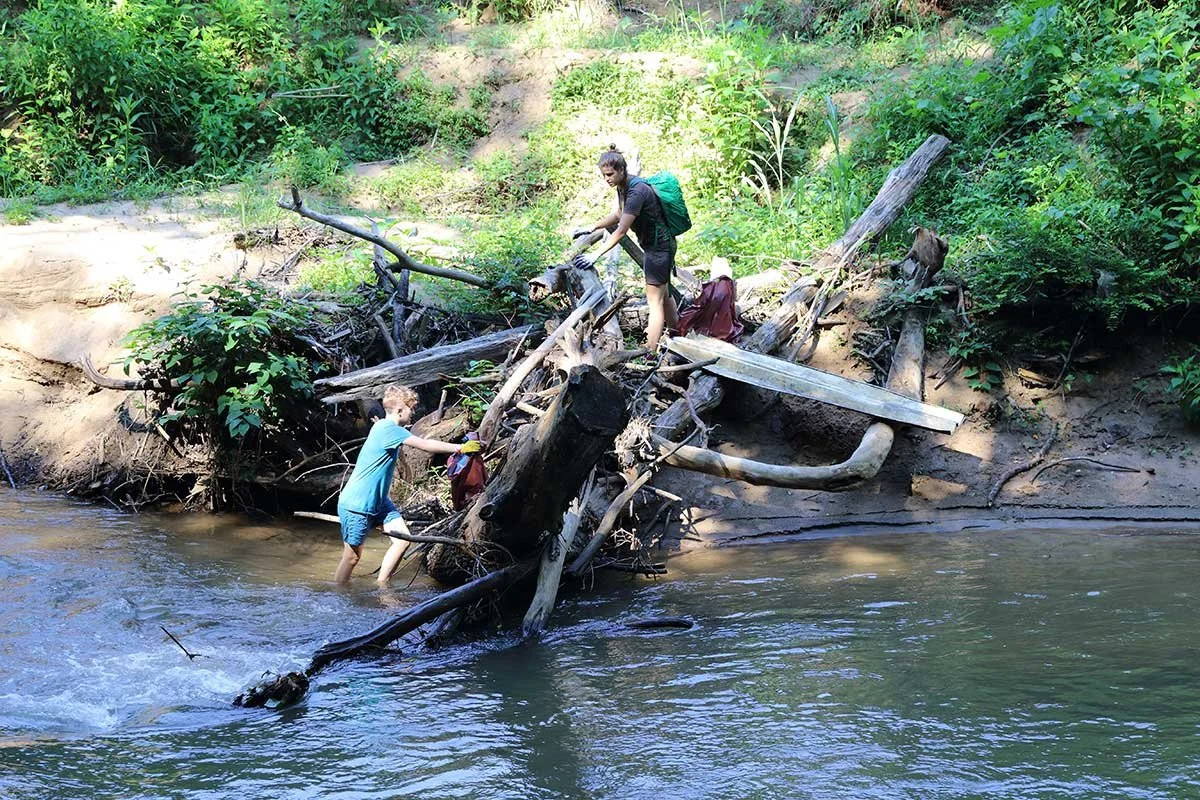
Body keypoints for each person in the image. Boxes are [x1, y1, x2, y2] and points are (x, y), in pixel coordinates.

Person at [334, 383, 475, 586]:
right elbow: (425, 445)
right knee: (351, 558)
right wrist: (461, 448)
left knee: (402, 541)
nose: (414, 413)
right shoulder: (389, 429)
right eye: (411, 409)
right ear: (400, 410)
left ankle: (382, 586)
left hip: (379, 502)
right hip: (357, 505)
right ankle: (339, 597)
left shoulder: (382, 426)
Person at [576, 145, 679, 351]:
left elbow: (621, 230)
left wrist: (595, 254)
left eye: (610, 174)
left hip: (658, 249)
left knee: (654, 302)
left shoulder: (636, 191)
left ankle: (649, 352)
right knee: (663, 295)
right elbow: (618, 215)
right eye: (603, 175)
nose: (606, 179)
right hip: (659, 246)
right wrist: (592, 226)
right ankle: (678, 335)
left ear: (622, 170)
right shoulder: (624, 187)